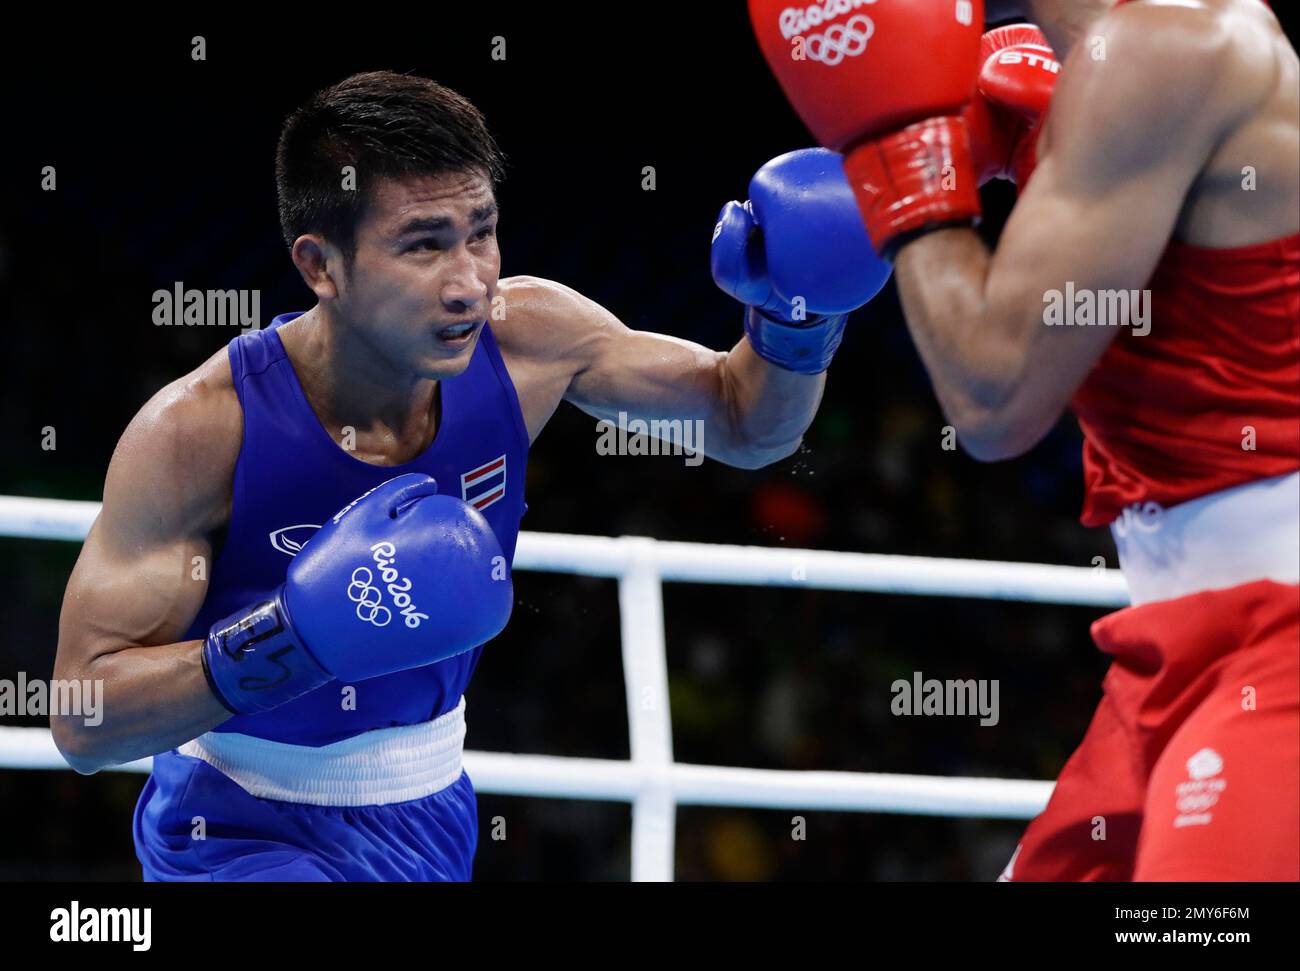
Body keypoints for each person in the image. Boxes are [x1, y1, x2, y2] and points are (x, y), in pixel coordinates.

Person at [49, 71, 887, 881]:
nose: (468, 284)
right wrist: (288, 642)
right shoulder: (199, 430)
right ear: (320, 264)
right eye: (422, 246)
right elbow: (82, 717)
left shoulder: (530, 339)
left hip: (429, 809)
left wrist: (796, 315)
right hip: (234, 821)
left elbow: (746, 422)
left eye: (479, 232)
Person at [748, 0, 1298, 879]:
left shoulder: (1170, 45)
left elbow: (993, 397)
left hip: (1278, 642)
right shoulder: (1094, 74)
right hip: (1172, 645)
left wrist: (895, 147)